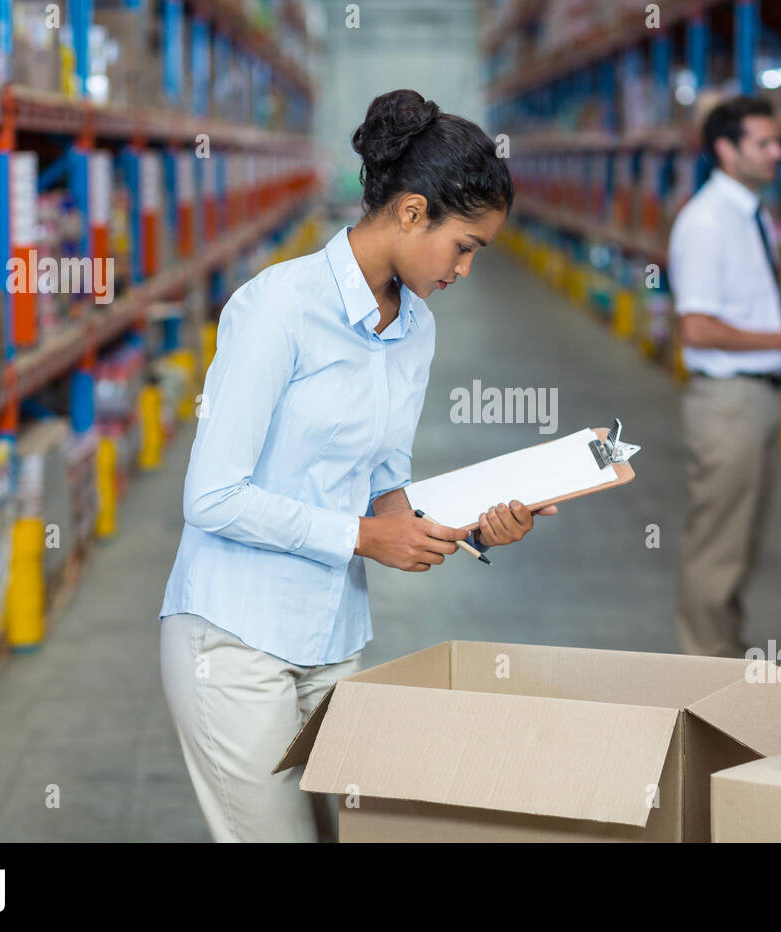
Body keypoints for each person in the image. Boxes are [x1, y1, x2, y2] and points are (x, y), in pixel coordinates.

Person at [158, 89, 556, 842]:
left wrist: (475, 525)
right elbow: (210, 498)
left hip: (333, 635)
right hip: (234, 641)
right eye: (464, 246)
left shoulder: (416, 327)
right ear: (411, 213)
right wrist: (363, 539)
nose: (466, 269)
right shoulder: (277, 309)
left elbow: (384, 486)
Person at [669, 94, 781, 658]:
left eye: (775, 141)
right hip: (728, 402)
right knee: (718, 546)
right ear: (726, 150)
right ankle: (705, 667)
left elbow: (755, 313)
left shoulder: (751, 215)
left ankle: (723, 656)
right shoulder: (707, 223)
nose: (777, 152)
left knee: (739, 541)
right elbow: (699, 329)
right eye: (762, 143)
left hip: (759, 398)